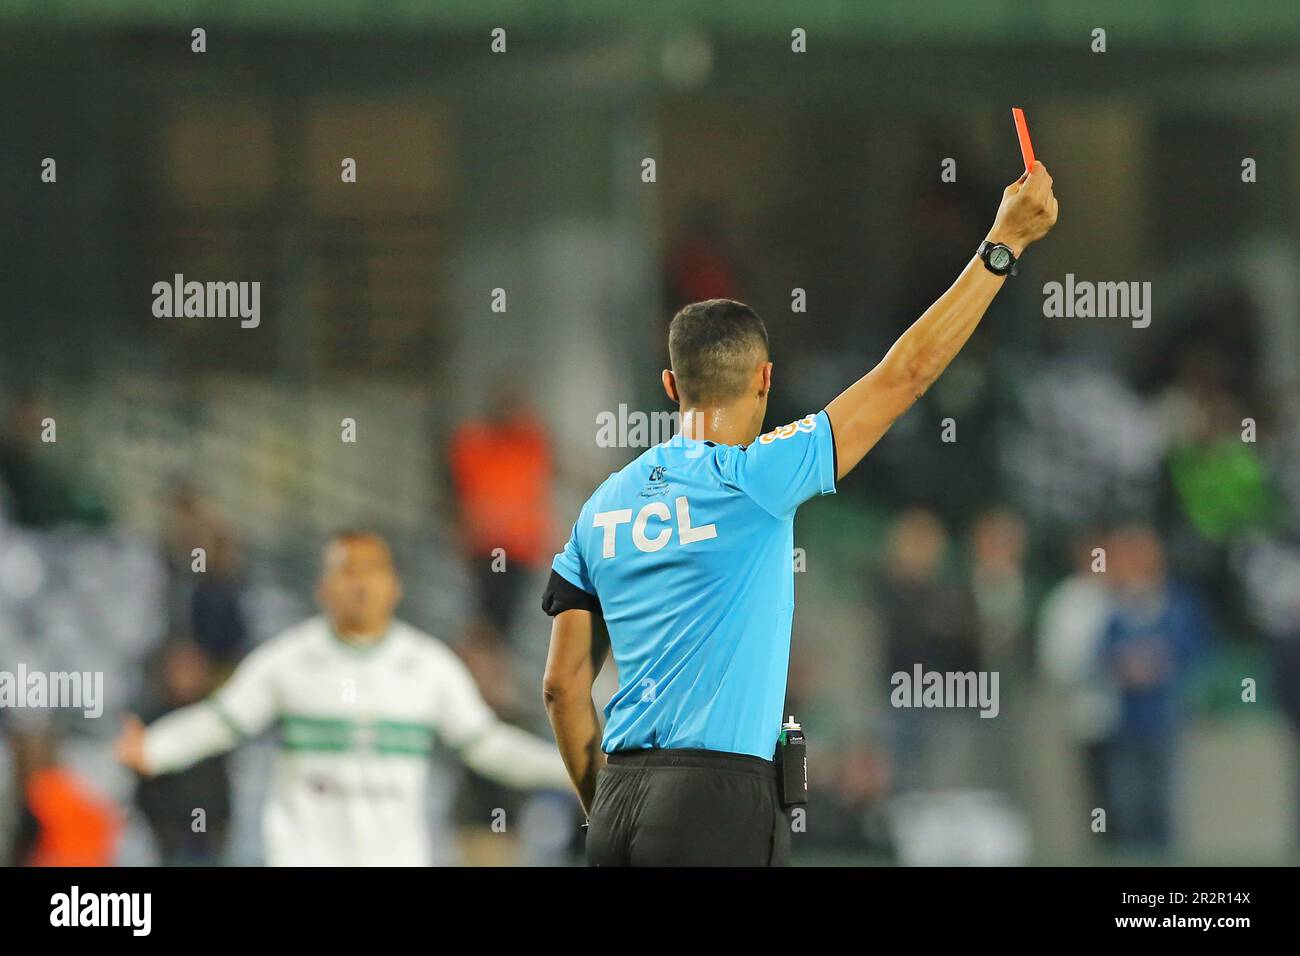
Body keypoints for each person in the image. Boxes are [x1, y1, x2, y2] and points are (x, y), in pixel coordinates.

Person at [541, 164, 1058, 866]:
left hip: (622, 800)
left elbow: (563, 687)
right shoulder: (756, 477)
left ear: (670, 386)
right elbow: (904, 374)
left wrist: (611, 807)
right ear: (764, 378)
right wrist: (1002, 247)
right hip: (718, 800)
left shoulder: (599, 509)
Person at [115, 531, 570, 866]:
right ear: (323, 589)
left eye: (372, 572)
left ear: (394, 588)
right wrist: (156, 748)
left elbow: (489, 745)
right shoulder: (286, 661)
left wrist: (570, 767)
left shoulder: (430, 667)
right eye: (346, 572)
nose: (360, 585)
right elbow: (222, 720)